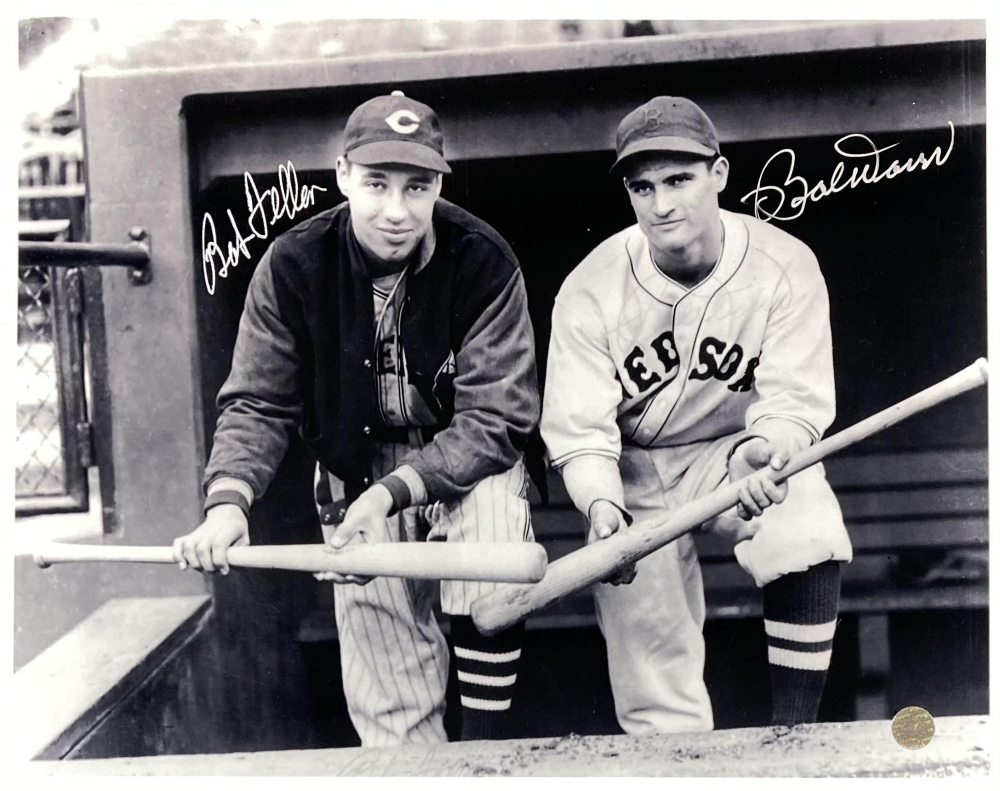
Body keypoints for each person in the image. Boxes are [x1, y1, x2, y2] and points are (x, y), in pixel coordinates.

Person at [173, 92, 540, 746]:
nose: (396, 209)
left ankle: (488, 757)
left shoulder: (482, 256)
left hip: (461, 460)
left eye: (416, 186)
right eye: (376, 183)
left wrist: (393, 493)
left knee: (493, 534)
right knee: (388, 696)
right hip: (354, 463)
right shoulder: (294, 262)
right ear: (342, 175)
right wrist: (228, 503)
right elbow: (259, 399)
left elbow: (497, 417)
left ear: (437, 183)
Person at [540, 96, 853, 734]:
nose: (662, 204)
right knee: (654, 685)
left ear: (719, 173)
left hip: (731, 452)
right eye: (643, 186)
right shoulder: (590, 287)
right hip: (629, 473)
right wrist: (600, 506)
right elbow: (579, 428)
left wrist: (769, 446)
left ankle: (794, 744)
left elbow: (796, 397)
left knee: (806, 516)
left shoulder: (784, 263)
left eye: (679, 179)